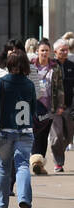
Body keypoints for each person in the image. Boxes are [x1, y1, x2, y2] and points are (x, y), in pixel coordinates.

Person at [0, 51, 38, 208]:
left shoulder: (1, 83)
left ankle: (2, 203)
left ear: (9, 64)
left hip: (5, 130)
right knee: (23, 165)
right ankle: (24, 198)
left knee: (4, 167)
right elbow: (34, 109)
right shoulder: (29, 85)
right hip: (25, 131)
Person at [27, 40, 64, 175]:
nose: (44, 53)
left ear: (50, 52)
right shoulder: (31, 66)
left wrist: (60, 104)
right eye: (42, 50)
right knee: (36, 133)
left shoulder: (55, 67)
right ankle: (35, 161)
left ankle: (39, 163)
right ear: (37, 51)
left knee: (44, 134)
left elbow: (60, 87)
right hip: (35, 106)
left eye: (46, 50)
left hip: (50, 107)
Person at [52, 39, 74, 172]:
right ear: (55, 52)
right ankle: (58, 162)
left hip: (69, 106)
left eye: (66, 50)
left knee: (69, 135)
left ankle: (60, 150)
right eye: (62, 50)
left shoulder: (72, 65)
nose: (65, 52)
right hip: (54, 107)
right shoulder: (51, 66)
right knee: (57, 136)